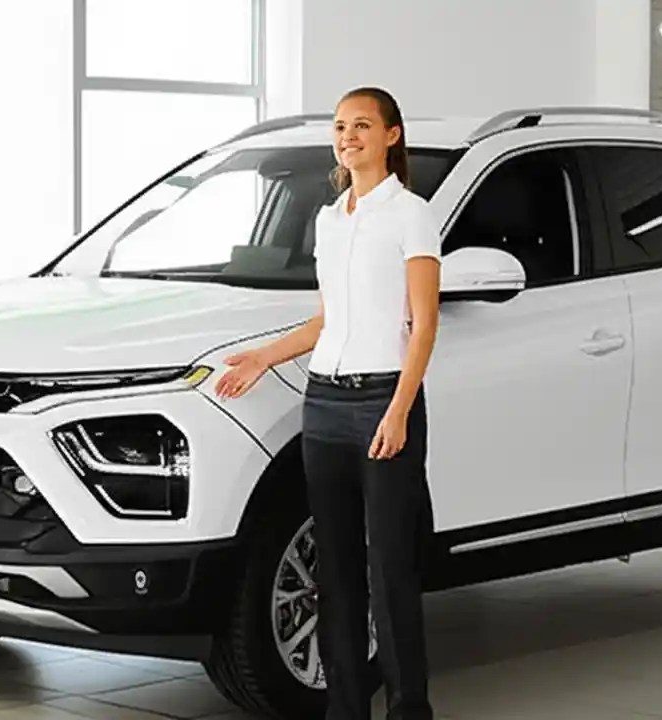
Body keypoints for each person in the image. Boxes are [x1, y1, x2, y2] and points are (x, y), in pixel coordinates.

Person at [214, 87, 441, 720]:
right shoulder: (330, 218)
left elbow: (422, 325)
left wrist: (398, 411)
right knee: (334, 576)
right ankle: (345, 710)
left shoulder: (411, 214)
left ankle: (409, 709)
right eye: (341, 127)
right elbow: (326, 321)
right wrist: (264, 356)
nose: (348, 136)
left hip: (381, 403)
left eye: (362, 125)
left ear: (392, 135)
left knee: (389, 572)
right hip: (324, 405)